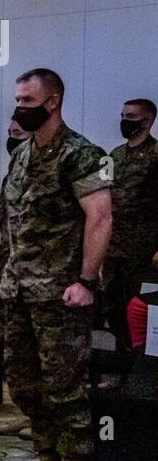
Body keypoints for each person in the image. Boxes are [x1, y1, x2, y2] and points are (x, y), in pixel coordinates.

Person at [0, 68, 111, 461]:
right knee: (25, 386)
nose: (19, 108)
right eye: (18, 100)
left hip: (61, 292)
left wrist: (86, 280)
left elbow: (100, 218)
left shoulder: (83, 154)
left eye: (27, 101)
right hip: (20, 288)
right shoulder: (22, 155)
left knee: (65, 386)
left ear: (53, 102)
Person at [102, 98, 158, 352]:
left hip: (142, 250)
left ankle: (136, 374)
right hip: (113, 247)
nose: (124, 121)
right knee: (112, 308)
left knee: (137, 310)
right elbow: (101, 195)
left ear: (148, 121)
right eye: (123, 115)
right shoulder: (114, 155)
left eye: (131, 116)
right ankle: (119, 368)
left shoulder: (156, 156)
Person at [0, 120, 33, 439]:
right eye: (8, 134)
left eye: (16, 135)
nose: (11, 140)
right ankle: (27, 413)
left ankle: (42, 422)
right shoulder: (15, 167)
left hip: (43, 276)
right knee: (17, 353)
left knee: (41, 355)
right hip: (12, 267)